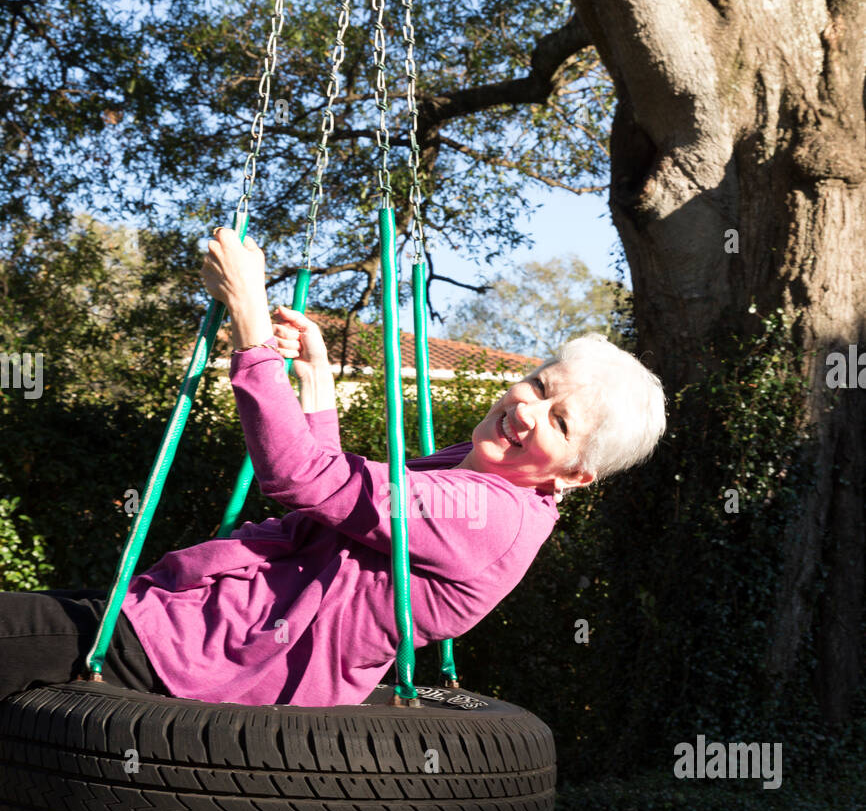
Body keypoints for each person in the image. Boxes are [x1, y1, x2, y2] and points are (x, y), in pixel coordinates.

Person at [0, 230, 667, 708]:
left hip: (208, 658)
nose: (528, 410)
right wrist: (317, 380)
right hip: (187, 625)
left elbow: (302, 478)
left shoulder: (491, 513)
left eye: (559, 424)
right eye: (538, 384)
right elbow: (334, 500)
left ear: (576, 476)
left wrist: (249, 320)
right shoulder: (473, 471)